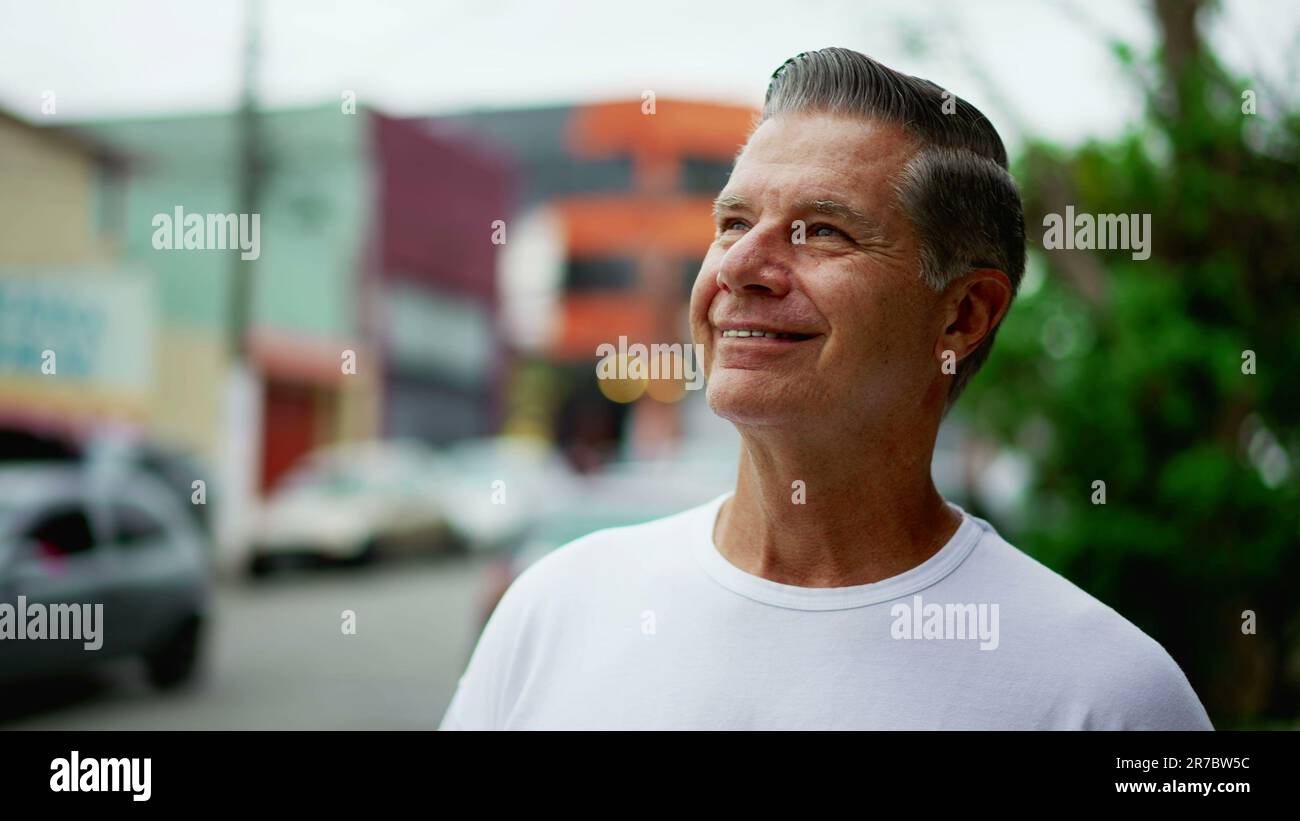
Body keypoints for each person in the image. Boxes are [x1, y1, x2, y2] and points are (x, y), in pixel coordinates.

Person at [439, 47, 1212, 730]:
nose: (740, 267)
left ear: (964, 315)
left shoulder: (1109, 696)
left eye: (822, 231)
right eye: (734, 222)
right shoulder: (554, 610)